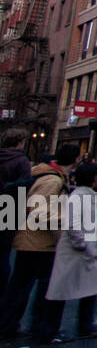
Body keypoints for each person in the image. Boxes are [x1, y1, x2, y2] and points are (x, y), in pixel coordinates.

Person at [0, 145, 77, 342]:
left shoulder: (48, 177)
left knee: (20, 285)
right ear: (74, 161)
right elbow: (38, 210)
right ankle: (40, 327)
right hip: (39, 242)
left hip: (31, 240)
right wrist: (61, 223)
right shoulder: (52, 180)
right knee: (43, 286)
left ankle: (9, 325)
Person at [45, 162, 97, 341]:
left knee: (88, 288)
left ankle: (84, 325)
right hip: (76, 250)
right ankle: (53, 329)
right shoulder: (80, 197)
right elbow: (73, 224)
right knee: (62, 290)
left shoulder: (83, 195)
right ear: (93, 178)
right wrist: (81, 244)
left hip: (81, 250)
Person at [0, 128, 32, 299]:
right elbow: (23, 188)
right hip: (9, 211)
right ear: (20, 143)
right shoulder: (21, 161)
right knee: (4, 255)